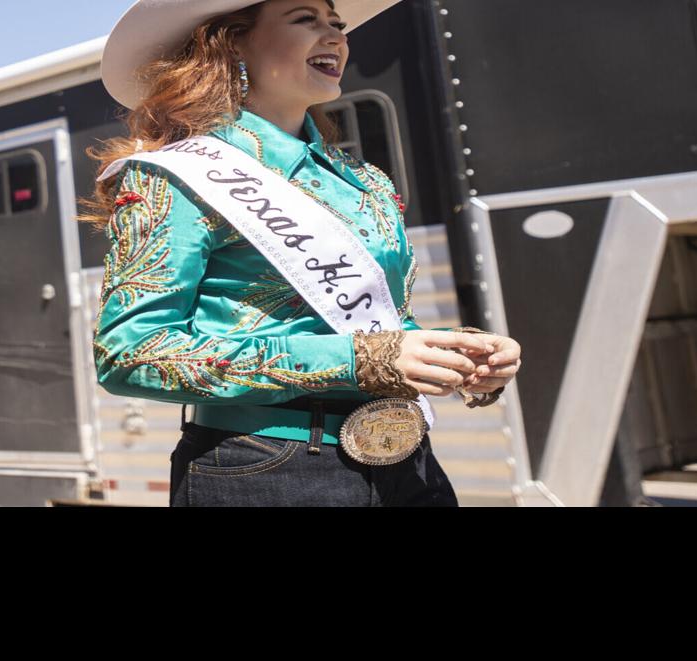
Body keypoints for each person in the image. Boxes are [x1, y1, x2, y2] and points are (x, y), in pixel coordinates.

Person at [81, 0, 522, 506]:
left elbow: (378, 323)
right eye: (306, 19)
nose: (335, 36)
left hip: (405, 458)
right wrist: (359, 360)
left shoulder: (365, 181)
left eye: (338, 24)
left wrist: (453, 354)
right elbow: (130, 354)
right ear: (231, 44)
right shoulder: (175, 176)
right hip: (264, 462)